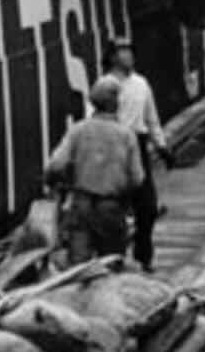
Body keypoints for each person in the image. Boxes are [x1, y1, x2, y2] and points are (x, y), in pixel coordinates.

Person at [45, 75, 144, 264]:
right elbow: (137, 178)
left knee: (79, 268)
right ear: (115, 103)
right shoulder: (126, 136)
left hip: (81, 206)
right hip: (112, 209)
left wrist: (53, 182)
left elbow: (56, 164)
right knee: (111, 266)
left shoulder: (78, 130)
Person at [106, 37, 173, 272]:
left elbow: (151, 117)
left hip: (139, 145)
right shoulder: (105, 86)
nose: (130, 56)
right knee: (115, 208)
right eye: (123, 52)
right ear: (113, 56)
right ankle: (116, 259)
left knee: (147, 207)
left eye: (130, 51)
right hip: (114, 149)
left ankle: (144, 256)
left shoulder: (141, 84)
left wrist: (162, 146)